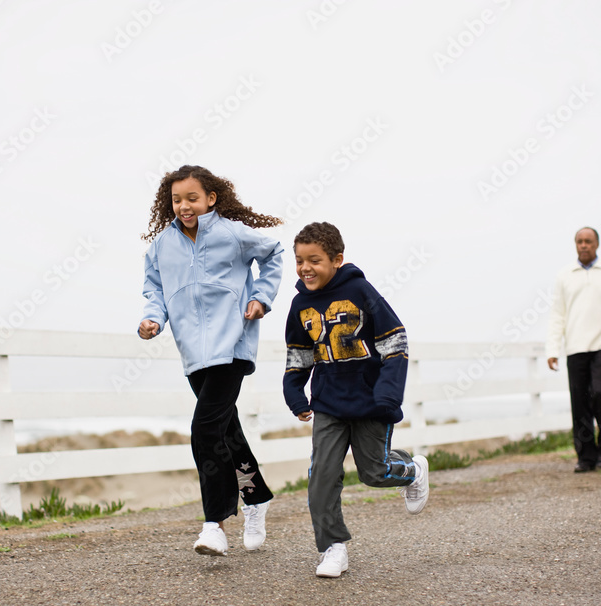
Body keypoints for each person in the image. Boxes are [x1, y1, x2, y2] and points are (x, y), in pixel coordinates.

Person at [139, 165, 283, 556]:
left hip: (232, 345)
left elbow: (273, 254)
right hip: (193, 353)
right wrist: (153, 318)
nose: (184, 206)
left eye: (192, 198)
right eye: (176, 200)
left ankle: (214, 524)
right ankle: (257, 497)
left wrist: (261, 298)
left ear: (211, 199)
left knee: (204, 431)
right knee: (226, 433)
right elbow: (154, 288)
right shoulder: (160, 247)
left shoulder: (231, 234)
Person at [282, 222, 428, 578]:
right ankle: (333, 548)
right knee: (322, 477)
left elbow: (395, 342)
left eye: (314, 260)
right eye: (299, 260)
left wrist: (388, 395)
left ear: (337, 259)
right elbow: (299, 354)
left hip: (371, 404)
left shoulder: (361, 291)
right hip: (329, 404)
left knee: (374, 473)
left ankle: (412, 470)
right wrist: (294, 393)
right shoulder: (300, 304)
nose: (305, 268)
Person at [546, 227, 601, 473]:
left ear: (597, 244)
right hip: (575, 347)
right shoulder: (564, 276)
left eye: (588, 241)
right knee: (580, 402)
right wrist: (552, 348)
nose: (584, 245)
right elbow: (557, 315)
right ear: (575, 245)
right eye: (579, 241)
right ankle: (586, 456)